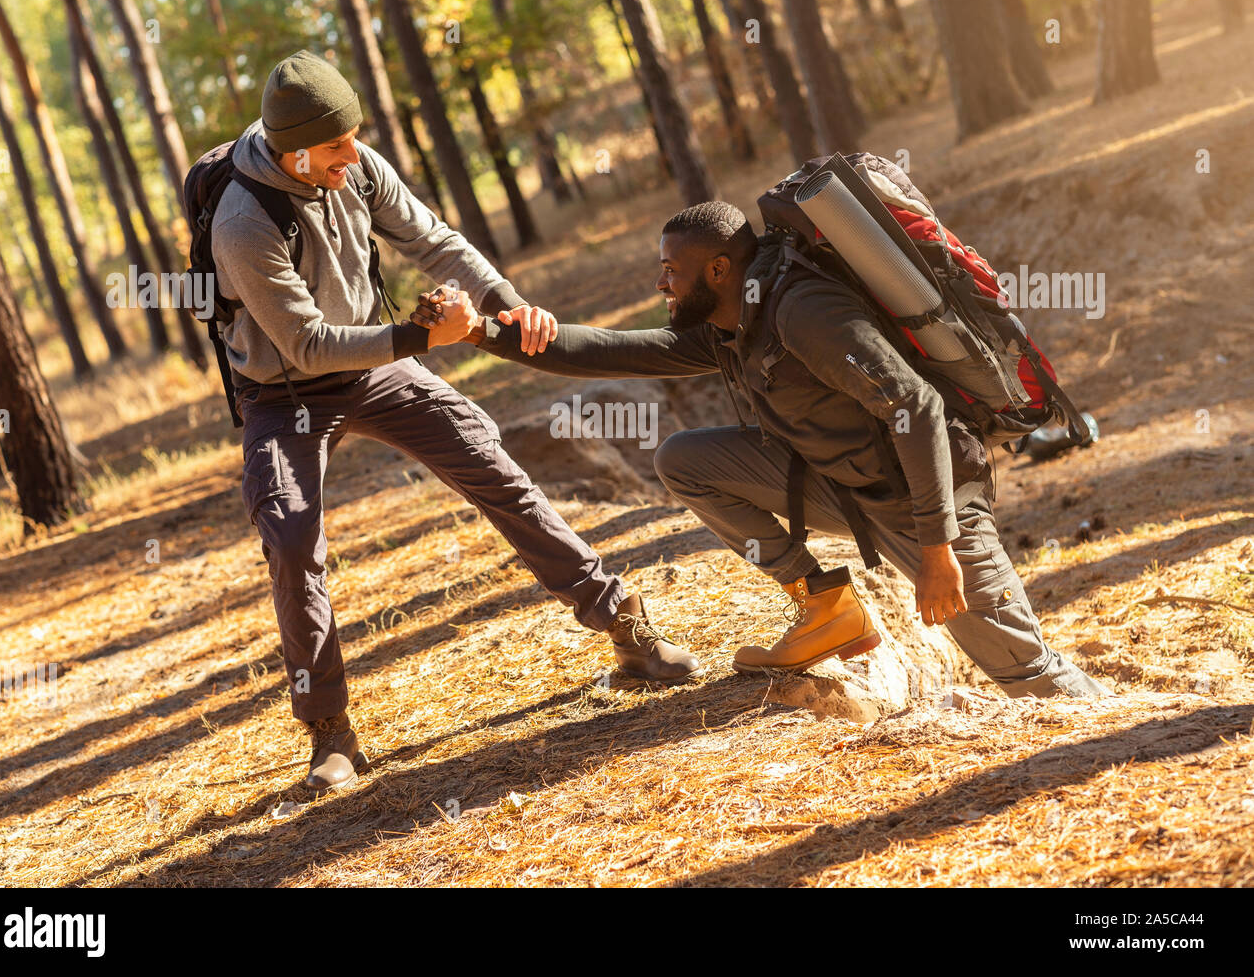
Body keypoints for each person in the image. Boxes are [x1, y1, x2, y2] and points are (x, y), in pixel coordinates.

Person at [212, 51, 703, 791]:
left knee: (489, 462)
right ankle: (330, 734)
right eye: (338, 146)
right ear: (295, 150)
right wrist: (421, 339)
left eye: (355, 137)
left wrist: (506, 301)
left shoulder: (353, 161)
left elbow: (434, 240)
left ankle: (621, 624)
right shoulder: (243, 222)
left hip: (374, 365)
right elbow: (307, 346)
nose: (356, 155)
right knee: (289, 532)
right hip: (285, 393)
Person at [415, 200, 1106, 699]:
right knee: (684, 459)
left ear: (718, 268)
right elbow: (604, 350)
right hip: (841, 486)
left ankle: (1111, 732)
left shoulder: (803, 312)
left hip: (930, 496)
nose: (660, 285)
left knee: (1027, 675)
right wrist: (479, 332)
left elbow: (916, 407)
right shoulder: (725, 322)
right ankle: (826, 605)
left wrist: (936, 550)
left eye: (669, 272)